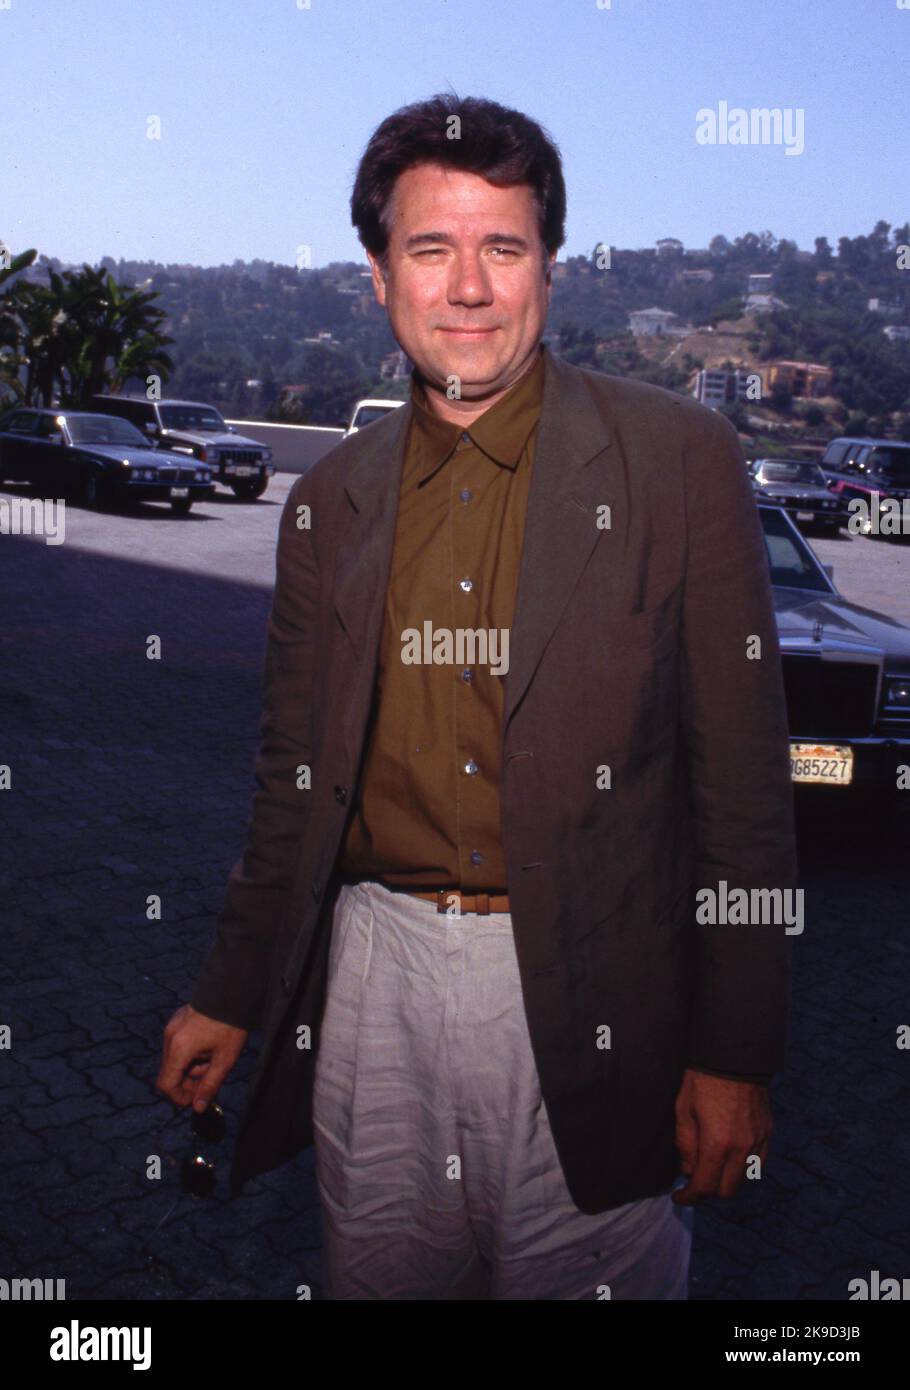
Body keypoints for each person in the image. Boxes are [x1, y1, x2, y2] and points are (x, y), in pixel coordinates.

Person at [157, 93, 797, 1300]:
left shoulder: (677, 465)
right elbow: (291, 785)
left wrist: (732, 1051)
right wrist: (231, 993)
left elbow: (745, 793)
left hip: (599, 989)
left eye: (501, 247)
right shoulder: (326, 503)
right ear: (376, 276)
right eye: (430, 248)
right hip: (375, 981)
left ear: (548, 267)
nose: (467, 287)